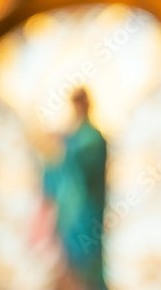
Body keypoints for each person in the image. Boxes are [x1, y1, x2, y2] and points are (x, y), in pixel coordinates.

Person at [42, 87, 108, 290]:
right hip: (69, 211)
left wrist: (65, 143)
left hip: (87, 209)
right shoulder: (72, 136)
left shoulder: (93, 137)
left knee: (87, 260)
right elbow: (56, 174)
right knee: (68, 261)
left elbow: (84, 162)